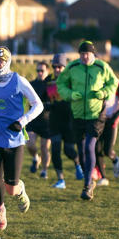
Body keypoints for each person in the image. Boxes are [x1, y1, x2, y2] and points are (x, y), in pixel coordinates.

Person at [0, 46, 43, 239]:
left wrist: (22, 121)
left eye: (1, 61)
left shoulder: (19, 81)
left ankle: (20, 189)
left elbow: (38, 104)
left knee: (10, 189)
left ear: (8, 61)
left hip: (14, 141)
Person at [56, 40, 118, 201]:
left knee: (90, 146)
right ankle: (89, 180)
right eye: (82, 54)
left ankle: (87, 185)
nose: (84, 57)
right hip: (77, 114)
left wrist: (104, 93)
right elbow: (61, 84)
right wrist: (69, 95)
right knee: (81, 150)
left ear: (93, 54)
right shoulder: (72, 67)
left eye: (87, 54)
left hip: (96, 114)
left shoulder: (102, 67)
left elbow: (113, 83)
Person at [46, 54, 83, 189]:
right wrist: (46, 105)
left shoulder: (71, 80)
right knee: (55, 150)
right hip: (54, 122)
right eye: (54, 67)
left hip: (69, 121)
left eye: (60, 67)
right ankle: (60, 180)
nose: (57, 69)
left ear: (65, 67)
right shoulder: (48, 81)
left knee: (69, 150)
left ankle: (77, 164)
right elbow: (42, 98)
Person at [94, 81, 119, 185]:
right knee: (97, 149)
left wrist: (116, 117)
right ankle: (103, 177)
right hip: (99, 120)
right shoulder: (96, 81)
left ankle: (115, 159)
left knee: (108, 151)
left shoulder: (116, 83)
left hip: (112, 121)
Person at [26, 61, 52, 178]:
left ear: (48, 71)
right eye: (38, 71)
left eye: (42, 71)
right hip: (33, 119)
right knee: (30, 144)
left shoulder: (51, 85)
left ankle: (44, 171)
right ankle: (36, 158)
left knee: (44, 148)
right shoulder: (31, 84)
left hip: (47, 121)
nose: (40, 73)